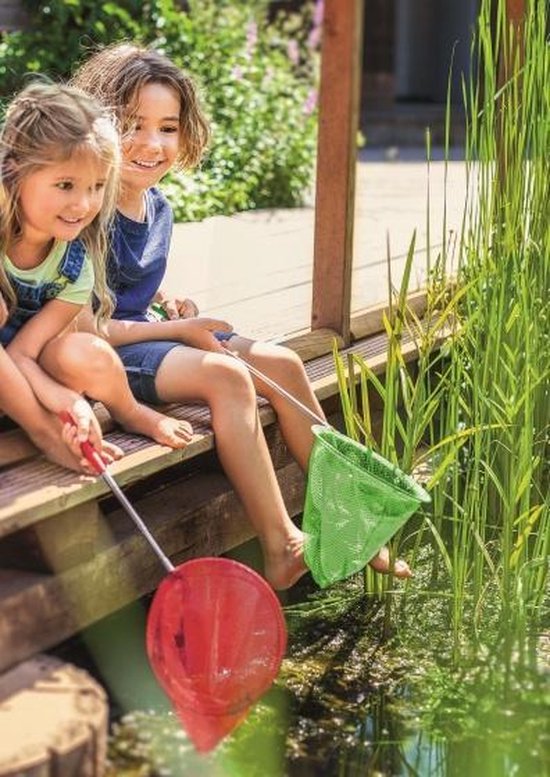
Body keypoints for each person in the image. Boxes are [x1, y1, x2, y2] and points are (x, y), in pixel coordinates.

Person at [72, 44, 411, 587]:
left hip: (145, 336)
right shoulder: (87, 208)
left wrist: (170, 304)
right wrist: (179, 329)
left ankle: (357, 521)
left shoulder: (157, 206)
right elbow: (79, 324)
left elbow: (126, 289)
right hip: (103, 358)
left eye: (168, 128)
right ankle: (282, 544)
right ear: (101, 126)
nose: (152, 144)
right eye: (133, 124)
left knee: (282, 364)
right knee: (227, 377)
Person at [0, 82, 192, 475]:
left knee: (85, 350)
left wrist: (66, 402)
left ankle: (130, 412)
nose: (84, 204)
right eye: (65, 185)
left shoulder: (75, 265)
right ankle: (43, 434)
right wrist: (49, 420)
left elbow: (21, 353)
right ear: (15, 172)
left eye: (97, 187)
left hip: (20, 373)